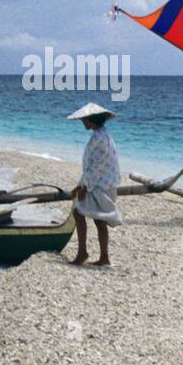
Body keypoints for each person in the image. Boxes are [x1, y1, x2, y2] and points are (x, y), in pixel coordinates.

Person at [67, 103, 122, 267]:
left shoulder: (98, 138)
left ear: (90, 121)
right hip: (106, 182)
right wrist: (81, 184)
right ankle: (104, 257)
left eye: (84, 120)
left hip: (100, 184)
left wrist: (84, 187)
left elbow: (96, 167)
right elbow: (95, 166)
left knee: (78, 212)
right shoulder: (104, 134)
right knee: (99, 220)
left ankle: (82, 253)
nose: (82, 122)